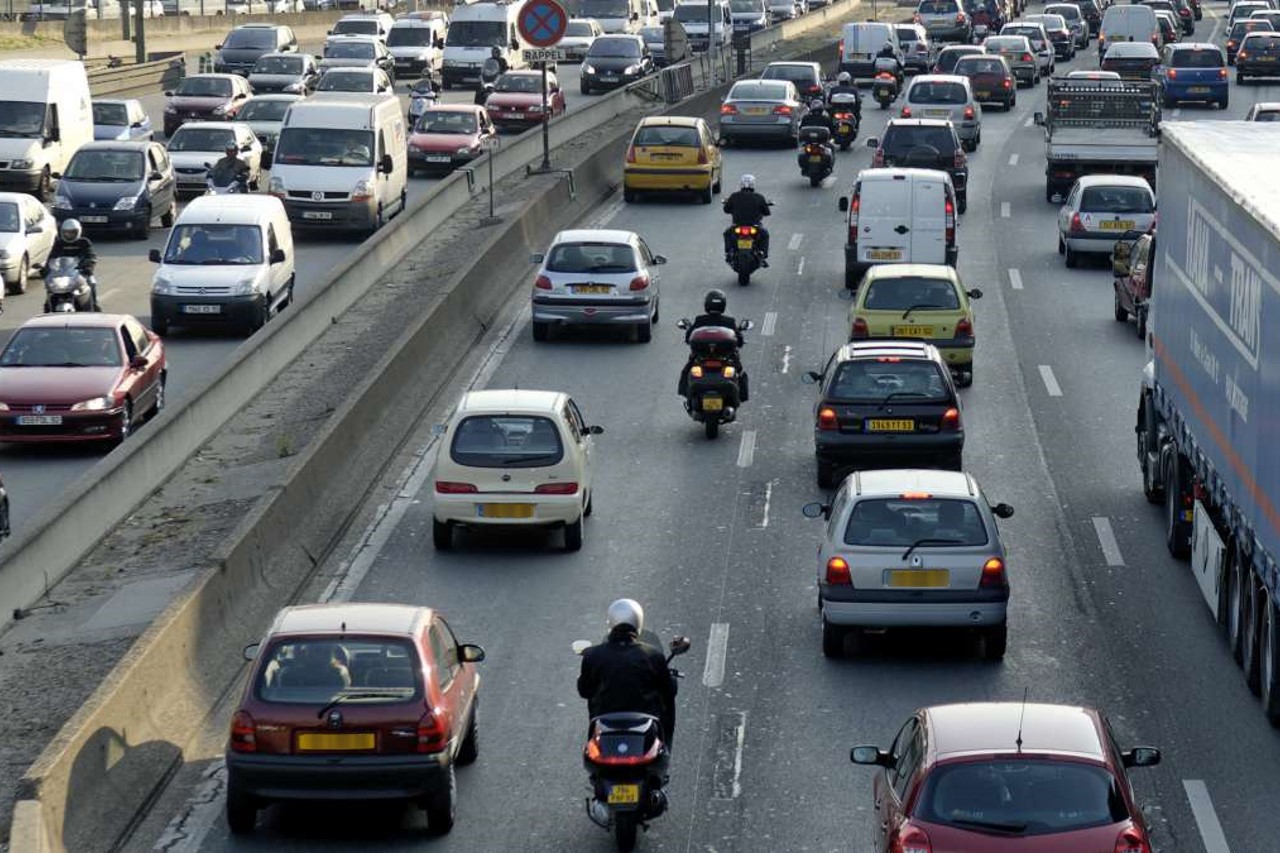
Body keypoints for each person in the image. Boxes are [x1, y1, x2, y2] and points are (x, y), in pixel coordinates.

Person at [577, 599, 677, 747]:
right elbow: (668, 690)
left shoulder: (593, 655)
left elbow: (584, 691)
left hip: (603, 723)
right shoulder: (653, 655)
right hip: (644, 723)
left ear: (611, 622)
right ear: (638, 622)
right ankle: (665, 746)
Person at [677, 289, 749, 402]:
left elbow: (688, 337)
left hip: (701, 357)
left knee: (686, 371)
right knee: (740, 372)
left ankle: (686, 395)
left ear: (707, 304)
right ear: (723, 305)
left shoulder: (700, 320)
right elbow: (739, 341)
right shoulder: (729, 321)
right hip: (725, 358)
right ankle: (742, 397)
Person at [48, 219, 98, 310]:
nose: (69, 235)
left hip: (81, 273)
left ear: (78, 232)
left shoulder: (84, 242)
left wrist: (89, 265)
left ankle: (94, 306)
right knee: (51, 288)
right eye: (66, 232)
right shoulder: (59, 243)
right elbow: (51, 258)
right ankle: (48, 308)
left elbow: (91, 256)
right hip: (63, 274)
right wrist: (46, 269)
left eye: (72, 232)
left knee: (92, 282)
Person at [721, 173, 771, 265]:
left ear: (741, 184)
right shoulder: (759, 197)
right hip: (755, 226)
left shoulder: (734, 196)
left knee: (727, 234)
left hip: (737, 225)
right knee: (765, 234)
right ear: (753, 184)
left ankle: (728, 253)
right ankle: (763, 254)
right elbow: (767, 213)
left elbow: (726, 210)